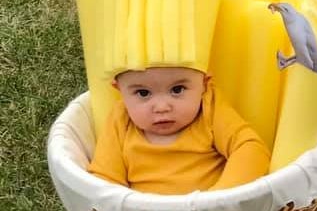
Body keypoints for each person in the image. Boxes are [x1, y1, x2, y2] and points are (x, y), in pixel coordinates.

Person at [88, 66, 271, 194]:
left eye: (177, 89)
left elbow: (251, 149)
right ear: (119, 90)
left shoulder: (209, 108)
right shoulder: (121, 120)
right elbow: (104, 181)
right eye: (143, 93)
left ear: (204, 84)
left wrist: (220, 197)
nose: (161, 107)